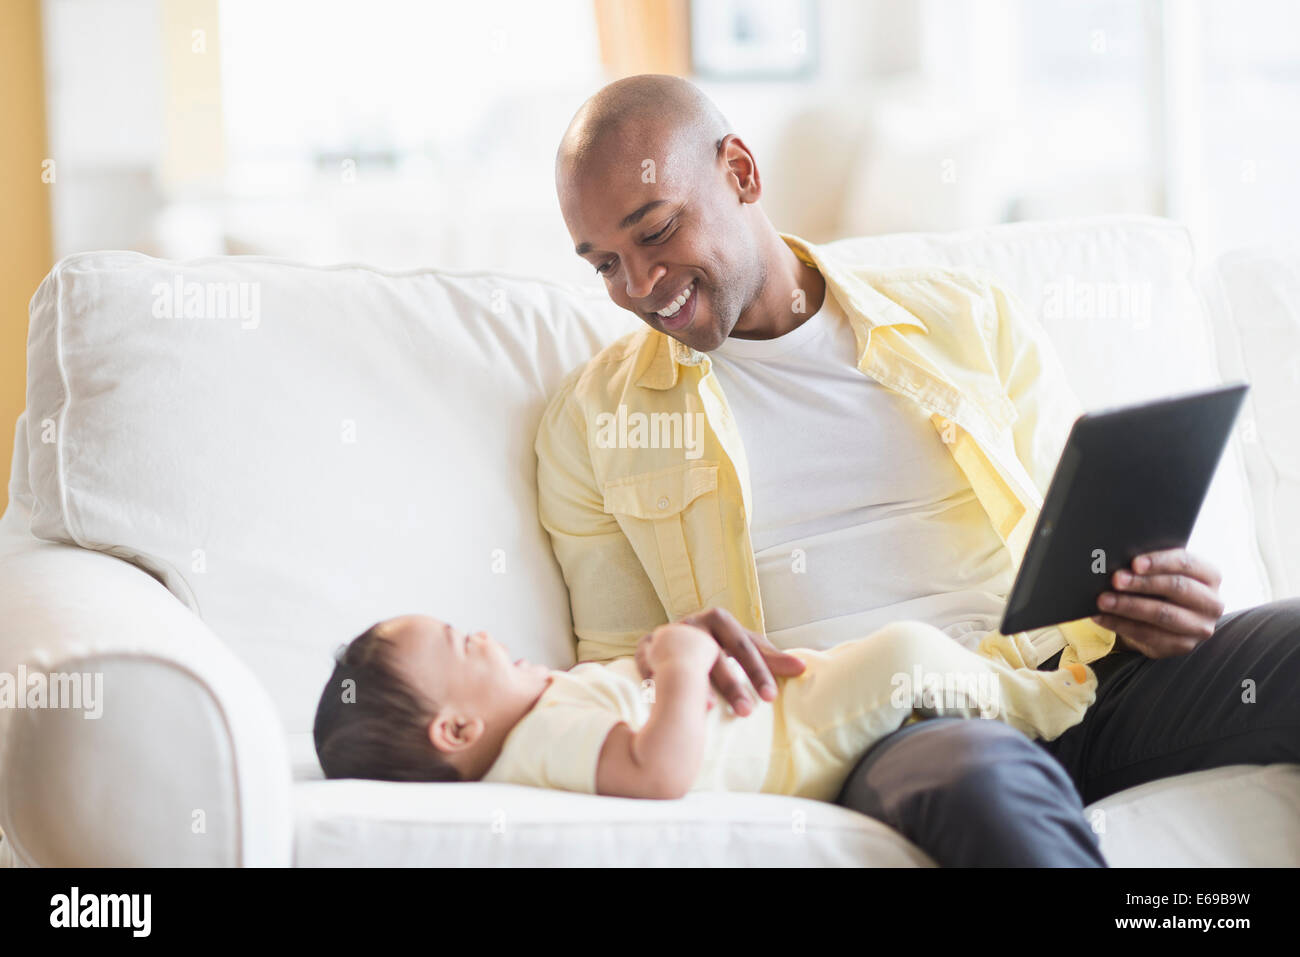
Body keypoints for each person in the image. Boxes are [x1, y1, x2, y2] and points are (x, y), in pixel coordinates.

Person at [535, 73, 1300, 865]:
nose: (638, 286)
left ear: (741, 173)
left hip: (1069, 681)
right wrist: (674, 660)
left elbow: (1080, 541)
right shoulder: (593, 425)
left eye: (655, 231)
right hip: (893, 725)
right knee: (979, 782)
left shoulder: (965, 317)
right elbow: (611, 692)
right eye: (603, 264)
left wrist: (1147, 593)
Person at [312, 614, 1098, 800]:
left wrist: (661, 654)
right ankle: (1054, 699)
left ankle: (1018, 687)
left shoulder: (545, 710)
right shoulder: (539, 746)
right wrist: (683, 662)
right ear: (456, 729)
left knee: (905, 664)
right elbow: (660, 772)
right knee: (906, 657)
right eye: (462, 645)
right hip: (791, 746)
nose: (483, 634)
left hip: (782, 712)